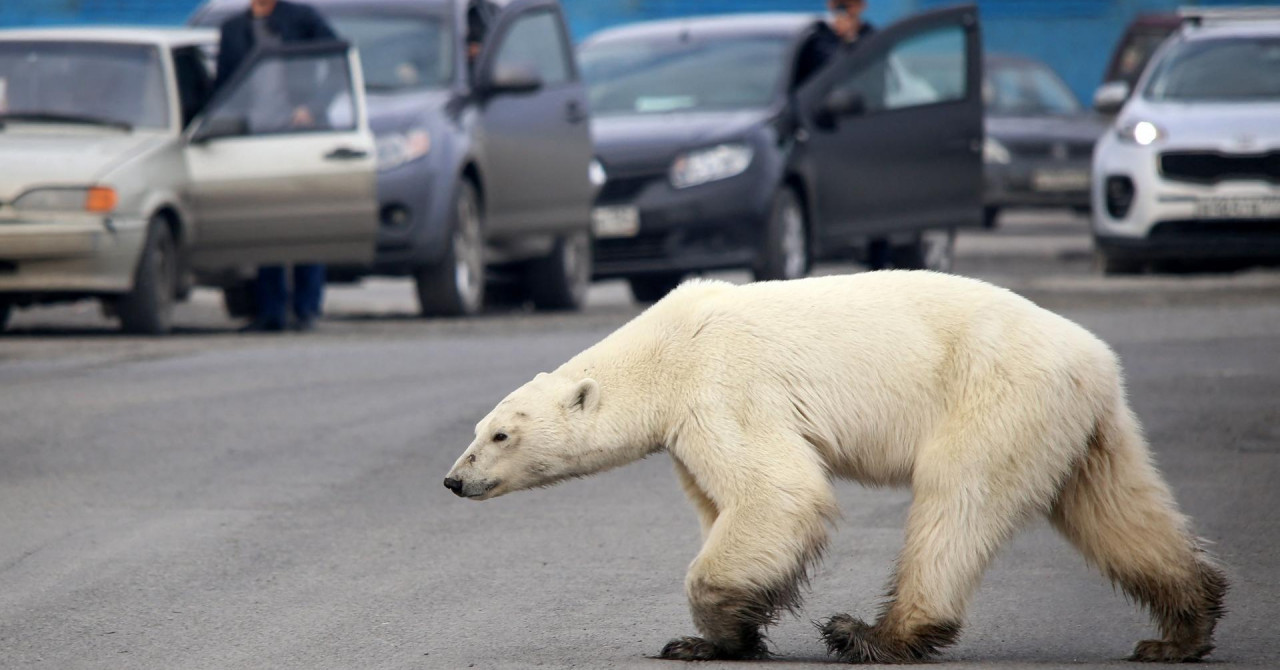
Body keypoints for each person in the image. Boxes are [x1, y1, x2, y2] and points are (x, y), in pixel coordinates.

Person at [214, 0, 337, 332]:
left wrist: (313, 107)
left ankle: (307, 308)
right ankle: (270, 311)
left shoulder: (302, 18)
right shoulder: (234, 29)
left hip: (299, 136)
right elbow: (224, 86)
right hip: (254, 140)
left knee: (305, 221)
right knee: (265, 226)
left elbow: (337, 61)